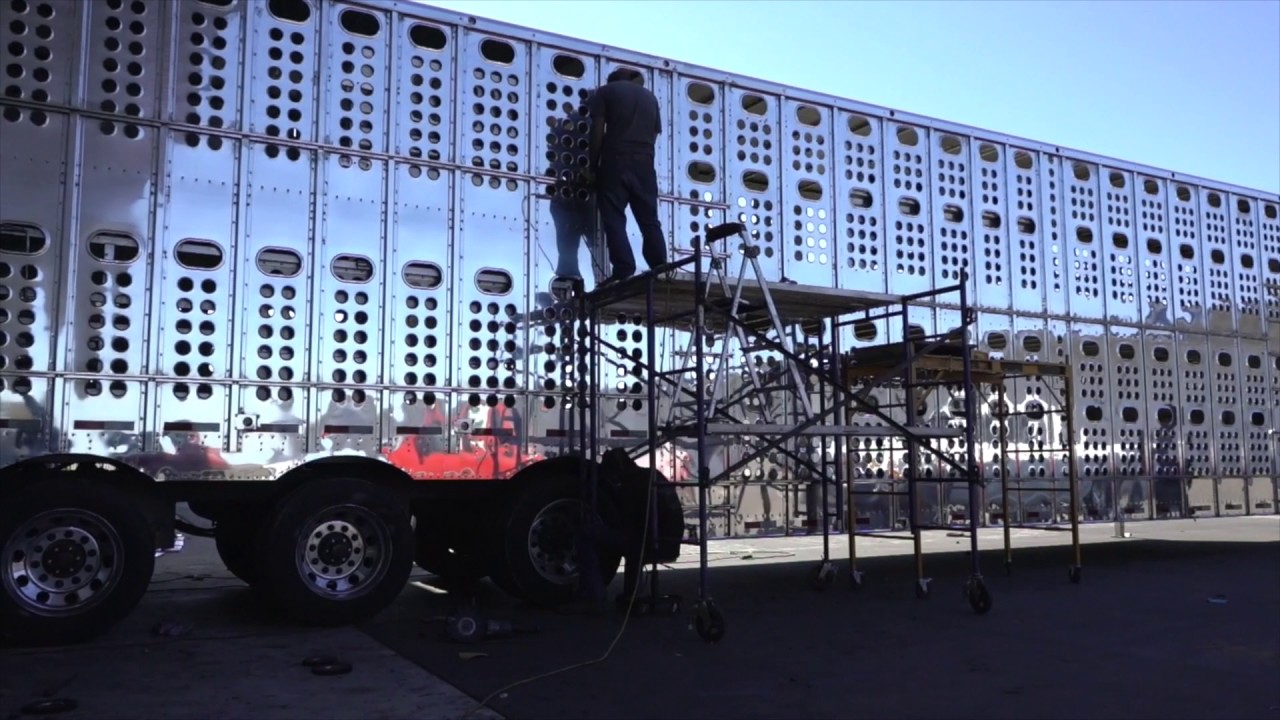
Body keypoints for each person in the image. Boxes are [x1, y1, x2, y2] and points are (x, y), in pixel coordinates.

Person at [584, 68, 667, 285]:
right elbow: (654, 133)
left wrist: (592, 167)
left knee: (614, 218)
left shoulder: (604, 93)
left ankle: (624, 267)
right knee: (649, 219)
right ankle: (660, 265)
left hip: (615, 159)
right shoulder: (651, 98)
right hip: (645, 162)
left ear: (611, 80)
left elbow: (597, 130)